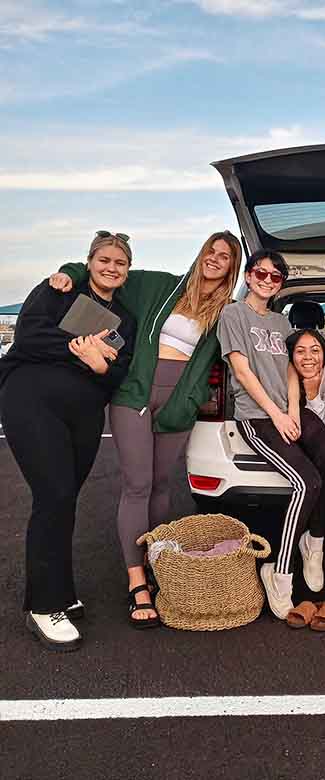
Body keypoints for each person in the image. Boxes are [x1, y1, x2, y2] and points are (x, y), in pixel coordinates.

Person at [48, 230, 242, 627]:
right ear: (201, 253)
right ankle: (136, 581)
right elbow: (107, 274)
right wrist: (69, 271)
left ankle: (159, 563)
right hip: (134, 394)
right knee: (137, 484)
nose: (215, 258)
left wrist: (195, 398)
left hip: (179, 404)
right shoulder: (159, 285)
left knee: (160, 485)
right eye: (211, 251)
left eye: (224, 256)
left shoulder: (227, 311)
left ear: (231, 267)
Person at [0, 232, 136, 650]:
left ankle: (59, 588)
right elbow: (29, 337)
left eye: (120, 263)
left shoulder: (125, 319)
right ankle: (43, 606)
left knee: (64, 498)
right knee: (54, 495)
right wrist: (85, 351)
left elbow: (118, 370)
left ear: (128, 270)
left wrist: (102, 364)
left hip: (85, 415)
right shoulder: (58, 290)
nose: (111, 267)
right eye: (104, 260)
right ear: (89, 261)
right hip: (32, 400)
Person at [218, 251, 325, 618]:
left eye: (275, 276)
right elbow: (242, 371)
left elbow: (290, 371)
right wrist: (276, 415)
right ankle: (279, 572)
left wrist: (293, 410)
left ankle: (314, 544)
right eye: (261, 273)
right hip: (257, 418)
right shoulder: (233, 314)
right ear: (248, 276)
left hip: (288, 411)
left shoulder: (282, 322)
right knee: (307, 482)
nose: (267, 280)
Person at [286, 328, 325, 425]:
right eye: (300, 351)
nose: (308, 357)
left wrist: (313, 395)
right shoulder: (285, 371)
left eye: (315, 350)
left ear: (324, 353)